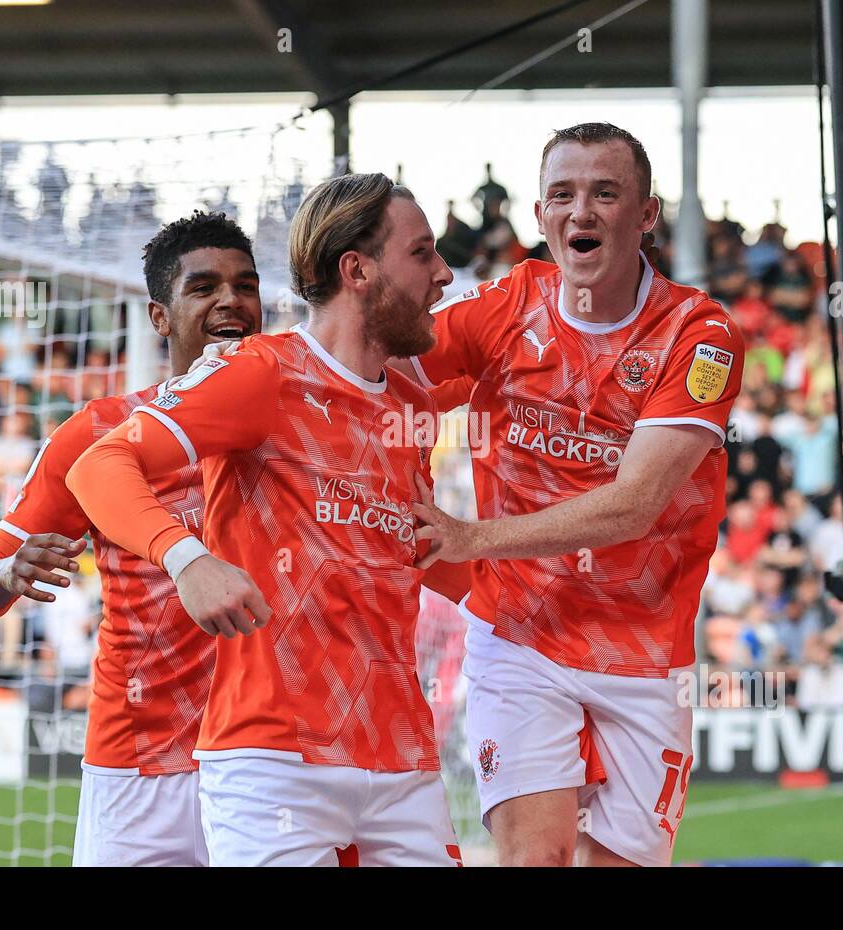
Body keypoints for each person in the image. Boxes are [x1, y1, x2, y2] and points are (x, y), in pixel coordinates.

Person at [65, 173, 467, 867]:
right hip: (273, 760)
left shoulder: (413, 404)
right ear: (359, 270)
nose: (443, 273)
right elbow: (99, 468)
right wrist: (187, 560)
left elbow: (409, 555)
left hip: (403, 761)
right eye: (423, 253)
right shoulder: (261, 373)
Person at [400, 122, 742, 866]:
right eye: (563, 194)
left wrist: (472, 539)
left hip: (646, 652)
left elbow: (635, 505)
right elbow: (382, 380)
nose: (581, 211)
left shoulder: (699, 332)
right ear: (540, 214)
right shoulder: (508, 303)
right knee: (537, 858)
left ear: (646, 215)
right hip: (518, 629)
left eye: (605, 193)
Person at [0, 210, 263, 866]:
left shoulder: (297, 420)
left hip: (264, 760)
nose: (230, 301)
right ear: (159, 316)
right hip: (137, 761)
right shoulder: (98, 432)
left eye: (246, 285)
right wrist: (8, 576)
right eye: (204, 287)